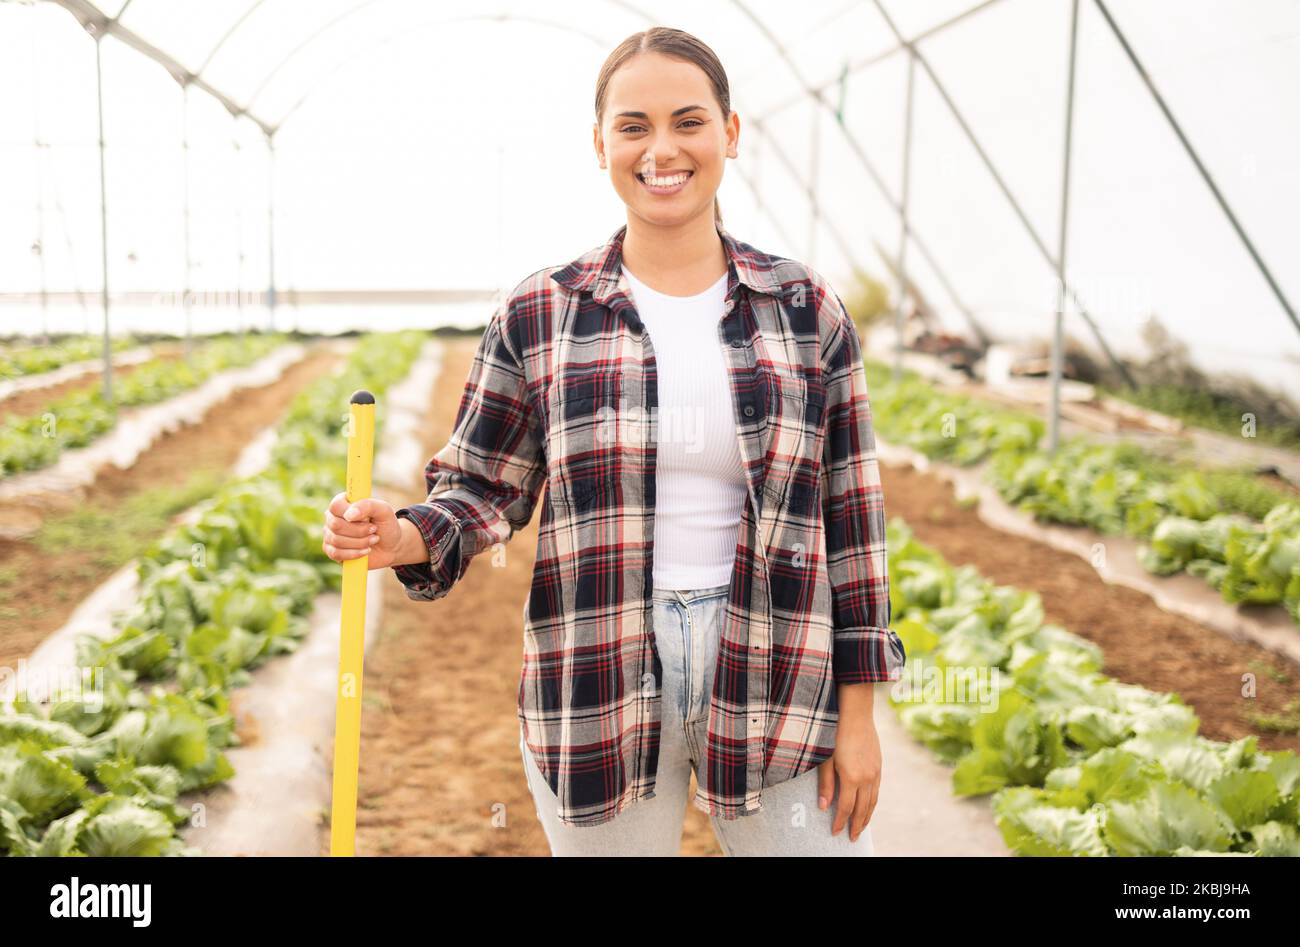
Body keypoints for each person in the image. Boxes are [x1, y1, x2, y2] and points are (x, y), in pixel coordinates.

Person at [322, 26, 906, 857]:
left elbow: (853, 522)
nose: (661, 149)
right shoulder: (542, 311)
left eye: (688, 121)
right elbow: (482, 487)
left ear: (730, 134)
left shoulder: (805, 307)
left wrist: (859, 716)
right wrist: (403, 532)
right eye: (633, 126)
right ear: (600, 146)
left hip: (779, 668)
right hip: (596, 668)